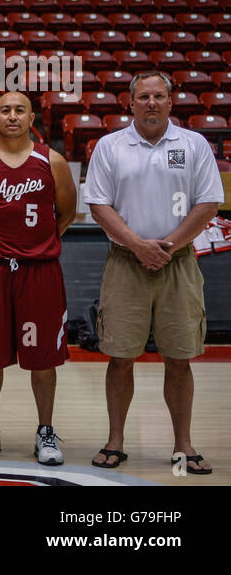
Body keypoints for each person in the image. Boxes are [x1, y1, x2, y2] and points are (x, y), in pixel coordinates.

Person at [83, 71, 223, 475]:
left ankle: (184, 444)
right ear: (130, 103)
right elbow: (98, 205)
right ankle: (115, 441)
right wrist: (140, 245)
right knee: (119, 357)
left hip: (178, 263)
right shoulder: (110, 147)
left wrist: (169, 246)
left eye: (158, 96)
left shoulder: (194, 145)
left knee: (179, 358)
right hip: (126, 262)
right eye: (143, 96)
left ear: (170, 101)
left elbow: (209, 202)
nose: (151, 103)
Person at [0, 92, 77, 465]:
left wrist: (35, 246)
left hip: (40, 272)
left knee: (43, 359)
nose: (12, 116)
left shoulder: (52, 161)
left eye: (19, 110)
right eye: (4, 110)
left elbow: (65, 215)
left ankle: (45, 431)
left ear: (31, 117)